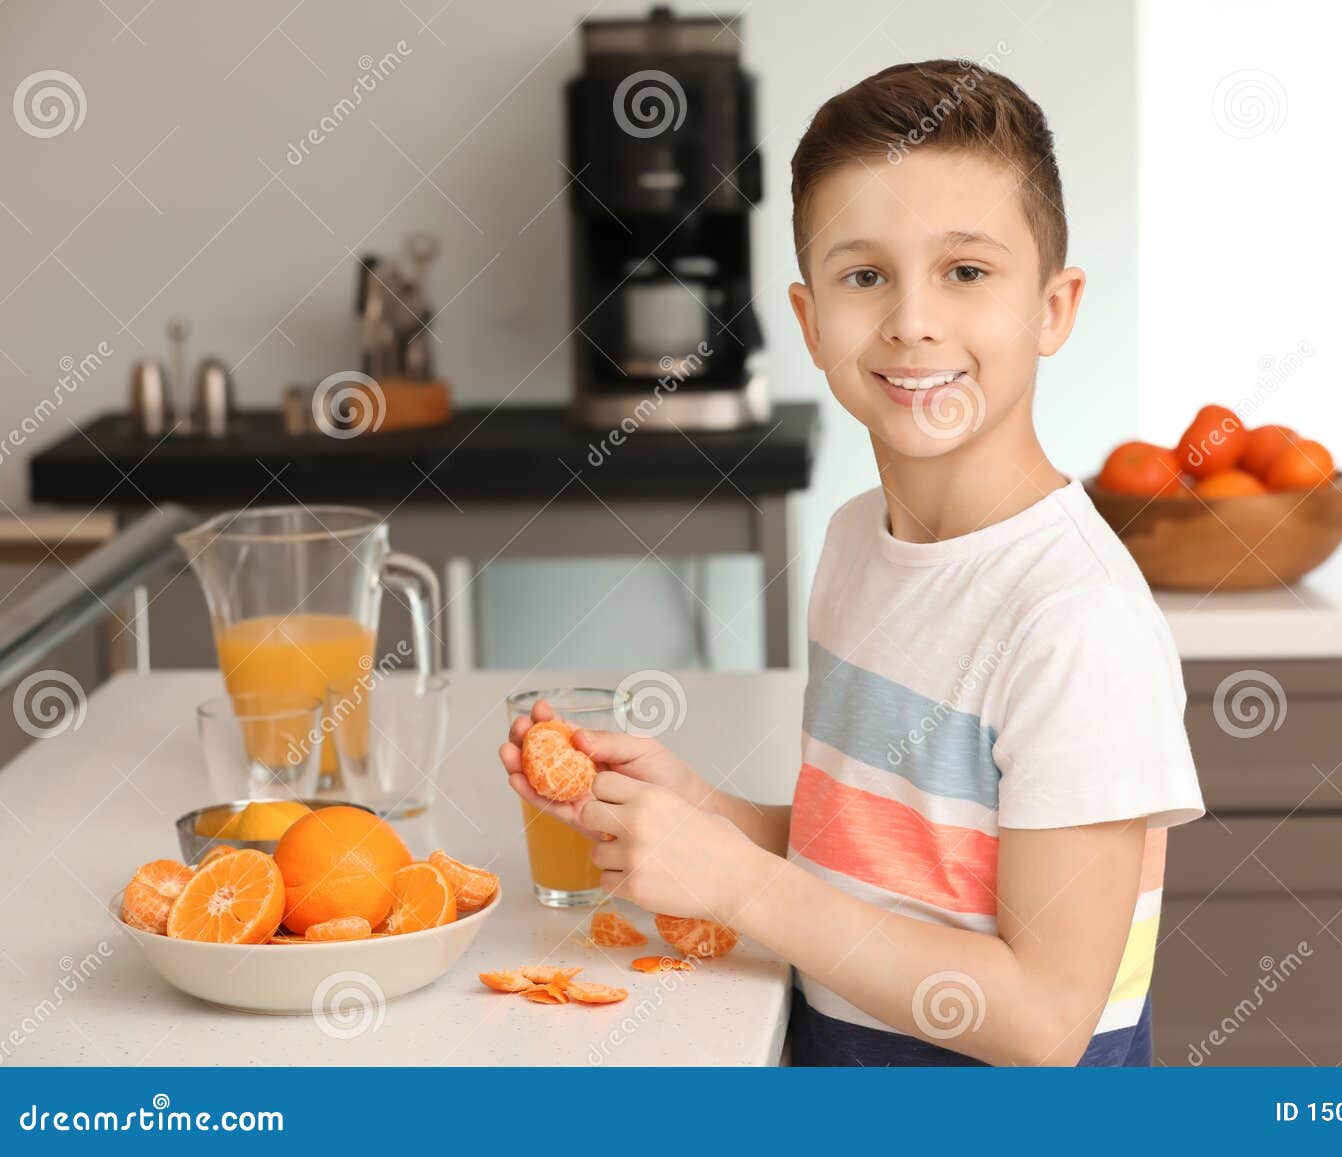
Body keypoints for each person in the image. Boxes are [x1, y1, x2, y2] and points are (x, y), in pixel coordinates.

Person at [501, 59, 1205, 1066]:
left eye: (965, 271)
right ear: (808, 322)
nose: (911, 319)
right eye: (863, 274)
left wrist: (743, 886)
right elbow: (888, 863)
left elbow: (1046, 1017)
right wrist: (712, 819)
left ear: (1053, 308)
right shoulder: (851, 542)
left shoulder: (1074, 620)